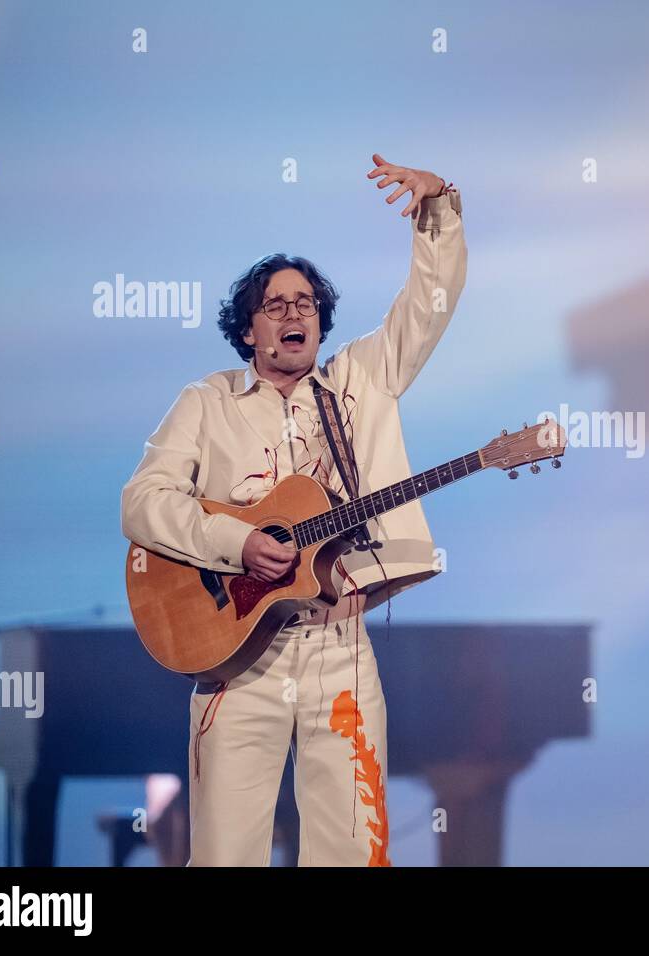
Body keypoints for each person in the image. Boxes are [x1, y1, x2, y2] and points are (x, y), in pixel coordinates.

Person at [121, 154, 466, 866]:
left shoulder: (359, 386)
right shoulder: (206, 403)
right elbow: (143, 502)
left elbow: (426, 310)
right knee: (225, 856)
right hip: (238, 660)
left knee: (352, 854)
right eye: (275, 306)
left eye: (306, 304)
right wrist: (233, 543)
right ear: (248, 331)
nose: (294, 314)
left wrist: (438, 213)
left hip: (340, 651)